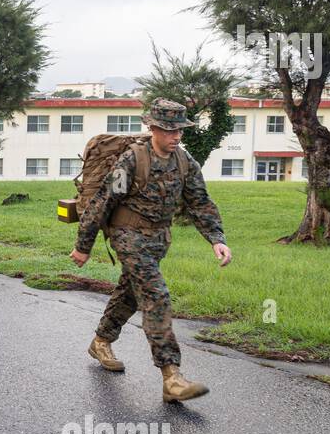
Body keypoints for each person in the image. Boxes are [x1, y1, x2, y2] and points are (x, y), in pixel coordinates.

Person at [70, 98, 233, 403]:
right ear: (153, 128)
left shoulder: (184, 162)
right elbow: (103, 202)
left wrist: (217, 239)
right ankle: (171, 377)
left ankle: (101, 340)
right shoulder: (132, 160)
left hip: (158, 239)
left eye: (179, 131)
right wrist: (83, 245)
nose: (176, 136)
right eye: (169, 131)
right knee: (156, 296)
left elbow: (200, 202)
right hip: (127, 234)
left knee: (131, 292)